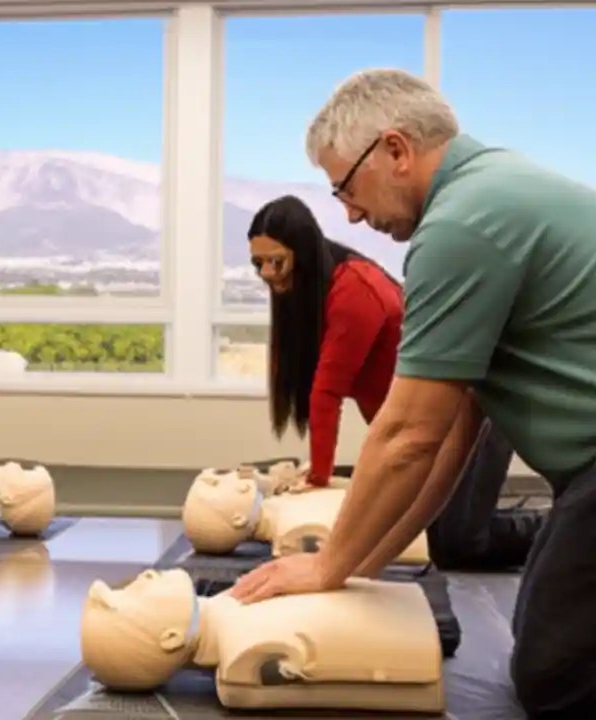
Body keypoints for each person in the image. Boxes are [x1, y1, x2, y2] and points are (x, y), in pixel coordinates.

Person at [230, 68, 596, 717]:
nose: (347, 213)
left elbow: (406, 434)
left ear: (395, 150)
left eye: (345, 186)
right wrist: (360, 561)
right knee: (542, 644)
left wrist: (328, 564)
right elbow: (450, 432)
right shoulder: (491, 191)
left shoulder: (463, 225)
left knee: (558, 676)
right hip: (582, 476)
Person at [246, 194, 543, 570]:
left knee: (458, 543)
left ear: (303, 252)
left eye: (276, 261)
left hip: (471, 418)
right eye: (258, 264)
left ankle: (566, 531)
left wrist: (320, 476)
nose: (268, 274)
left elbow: (328, 391)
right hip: (429, 426)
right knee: (447, 534)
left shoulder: (353, 289)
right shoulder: (309, 295)